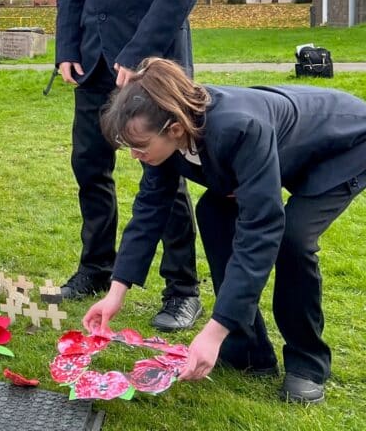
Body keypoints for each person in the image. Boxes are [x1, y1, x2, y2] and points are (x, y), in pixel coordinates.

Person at [84, 57, 366, 404]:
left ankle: (307, 365)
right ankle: (247, 353)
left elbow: (261, 227)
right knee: (214, 213)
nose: (135, 156)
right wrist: (116, 292)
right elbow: (149, 210)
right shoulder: (165, 136)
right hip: (281, 148)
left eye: (140, 147)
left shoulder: (238, 128)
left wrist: (212, 331)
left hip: (341, 146)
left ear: (173, 129)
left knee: (292, 239)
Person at [54, 0, 204, 332]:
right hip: (92, 64)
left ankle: (182, 290)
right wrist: (66, 48)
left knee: (165, 173)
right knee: (89, 168)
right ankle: (96, 267)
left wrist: (139, 53)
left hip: (154, 67)